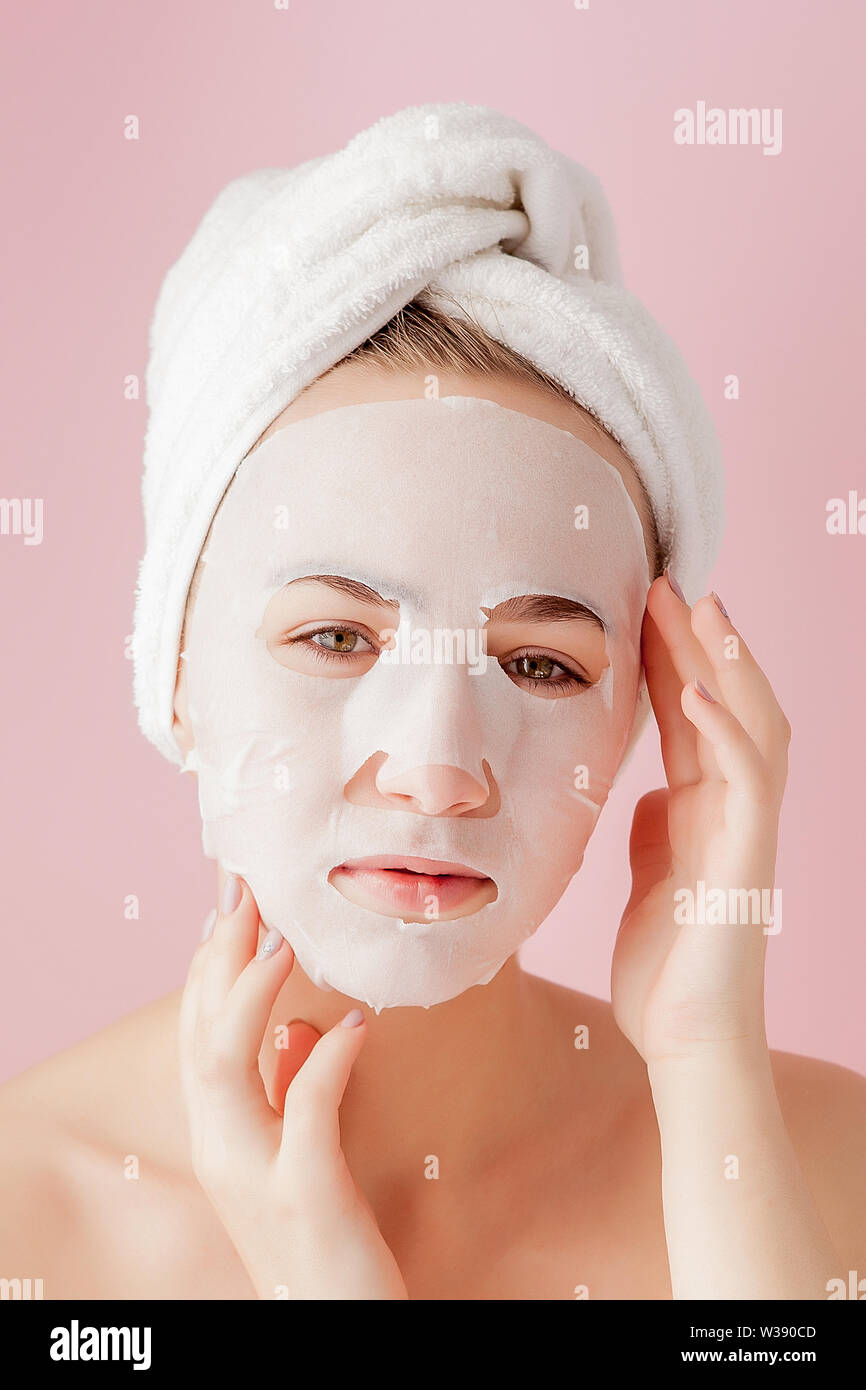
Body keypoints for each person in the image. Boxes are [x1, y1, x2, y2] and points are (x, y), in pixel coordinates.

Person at [1, 108, 864, 1301]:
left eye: (539, 664)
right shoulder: (24, 1224)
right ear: (176, 674)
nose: (436, 766)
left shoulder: (820, 1167)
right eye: (334, 636)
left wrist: (707, 1059)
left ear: (645, 717)